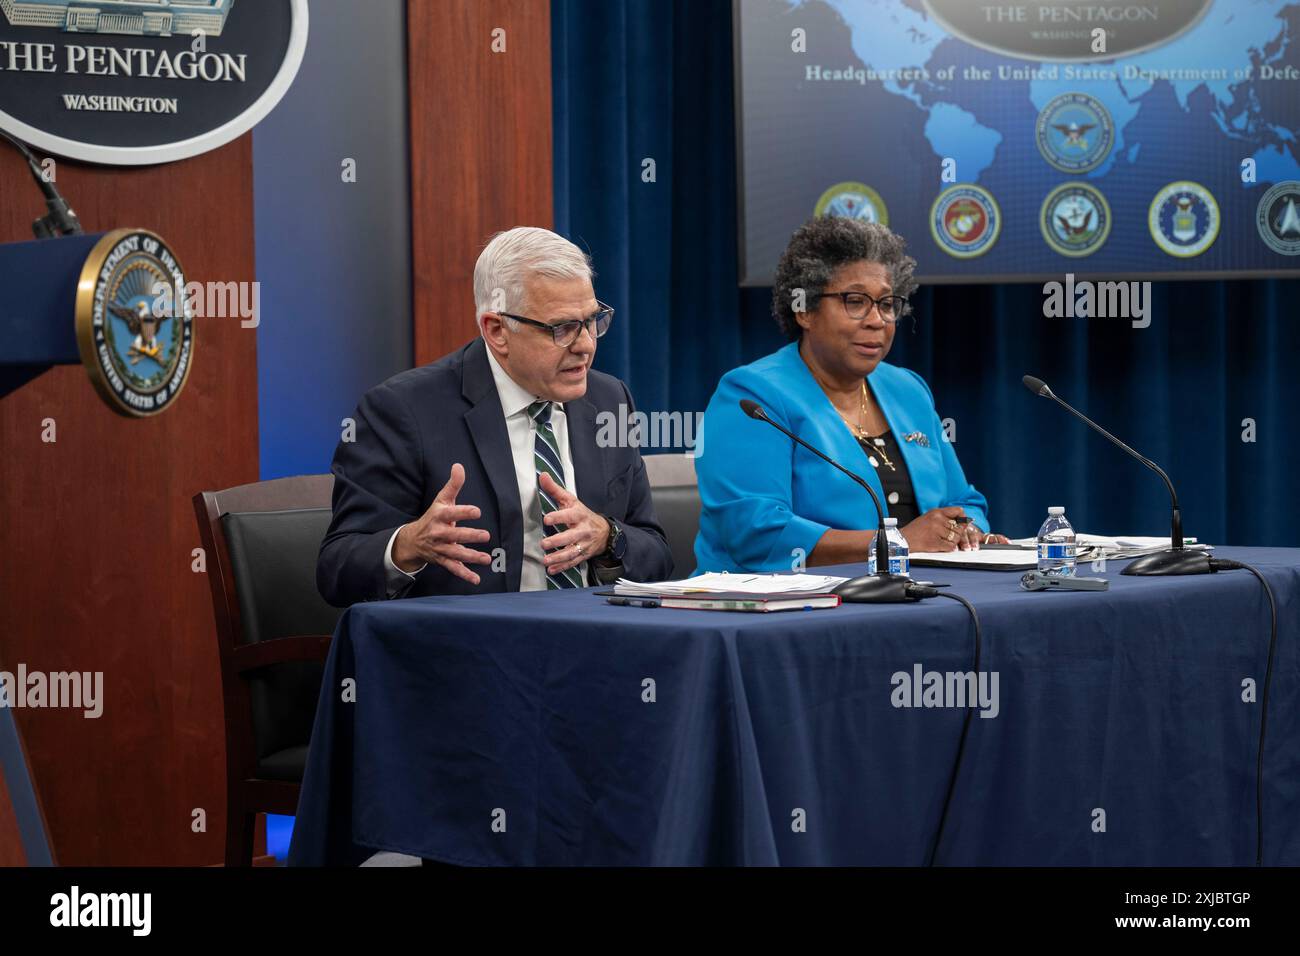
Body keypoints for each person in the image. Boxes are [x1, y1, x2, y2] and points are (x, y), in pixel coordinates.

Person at [318, 226, 673, 605]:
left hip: (597, 643)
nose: (585, 345)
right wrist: (409, 544)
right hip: (471, 649)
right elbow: (338, 571)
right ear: (497, 330)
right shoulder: (403, 412)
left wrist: (606, 536)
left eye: (591, 321)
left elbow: (656, 555)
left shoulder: (609, 400)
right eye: (563, 328)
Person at [694, 217, 1008, 574]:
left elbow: (964, 501)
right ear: (804, 309)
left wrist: (965, 531)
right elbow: (756, 532)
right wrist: (897, 543)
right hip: (781, 611)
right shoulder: (754, 395)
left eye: (887, 304)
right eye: (855, 301)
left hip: (918, 599)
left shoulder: (907, 390)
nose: (877, 320)